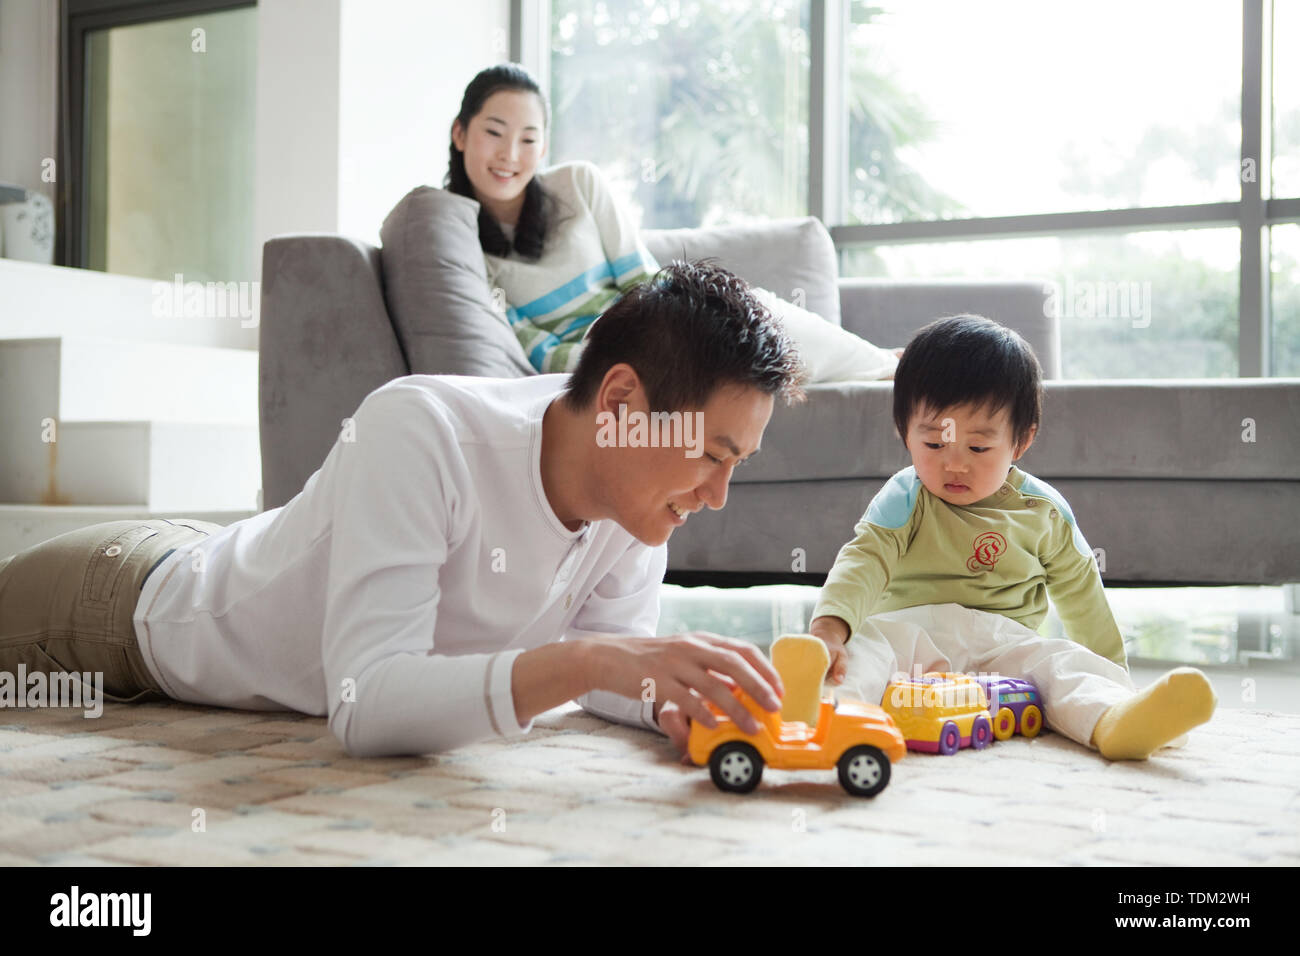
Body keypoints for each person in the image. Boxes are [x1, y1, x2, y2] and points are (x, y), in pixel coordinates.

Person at [0, 261, 803, 758]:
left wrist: (675, 699)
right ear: (625, 401)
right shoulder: (424, 430)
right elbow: (366, 705)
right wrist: (593, 663)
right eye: (713, 454)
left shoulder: (636, 507)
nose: (717, 495)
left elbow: (612, 669)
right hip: (123, 605)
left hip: (221, 569)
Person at [807, 315, 1217, 760]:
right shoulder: (905, 497)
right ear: (904, 432)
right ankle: (827, 716)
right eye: (934, 445)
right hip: (912, 636)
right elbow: (864, 561)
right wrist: (830, 628)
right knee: (865, 648)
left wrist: (1111, 672)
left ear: (1021, 442)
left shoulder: (1041, 511)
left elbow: (1081, 595)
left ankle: (1116, 719)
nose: (955, 464)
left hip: (1002, 645)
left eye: (979, 448)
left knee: (1058, 664)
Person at [446, 63, 900, 379]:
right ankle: (887, 369)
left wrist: (663, 330)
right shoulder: (459, 245)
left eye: (528, 138)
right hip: (612, 365)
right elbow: (536, 349)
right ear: (460, 133)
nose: (510, 155)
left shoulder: (578, 183)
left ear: (543, 147)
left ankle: (888, 368)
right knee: (742, 352)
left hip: (659, 327)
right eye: (494, 132)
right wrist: (613, 358)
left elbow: (643, 279)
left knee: (749, 315)